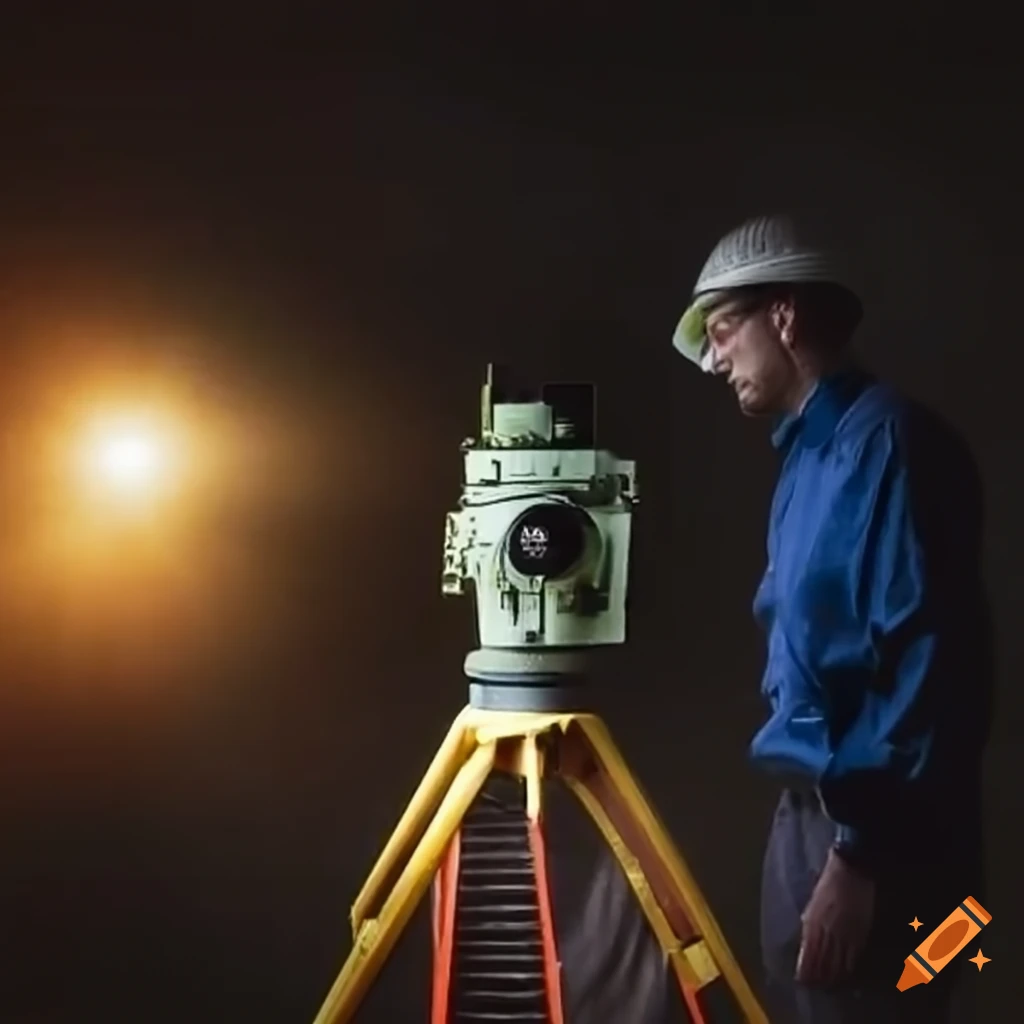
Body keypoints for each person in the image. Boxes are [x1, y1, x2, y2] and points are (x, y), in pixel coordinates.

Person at [671, 214, 993, 1023]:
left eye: (721, 331)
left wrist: (858, 859)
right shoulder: (806, 457)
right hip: (820, 819)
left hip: (883, 842)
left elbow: (928, 665)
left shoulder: (887, 443)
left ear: (783, 315)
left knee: (878, 1003)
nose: (715, 361)